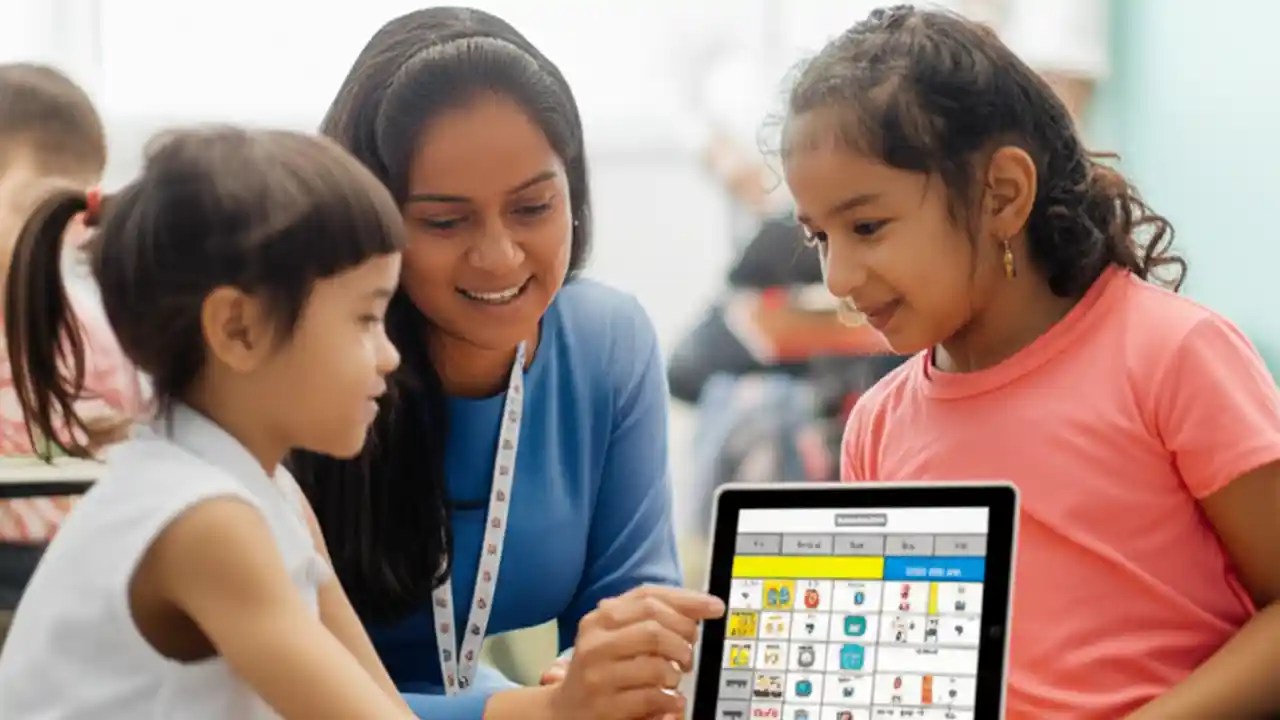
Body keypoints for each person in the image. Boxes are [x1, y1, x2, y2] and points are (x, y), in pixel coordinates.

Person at [782, 6, 1280, 719]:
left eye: (866, 226)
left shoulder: (1173, 356)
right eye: (819, 238)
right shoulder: (878, 428)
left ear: (1003, 194)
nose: (838, 277)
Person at [290, 7, 724, 720]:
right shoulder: (299, 366)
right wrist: (540, 713)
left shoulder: (606, 343)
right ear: (367, 215)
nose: (499, 256)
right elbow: (262, 690)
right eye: (444, 221)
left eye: (532, 207)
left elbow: (632, 630)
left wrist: (605, 682)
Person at [0, 126, 415, 718]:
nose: (390, 354)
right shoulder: (205, 522)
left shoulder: (270, 491)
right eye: (366, 317)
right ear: (237, 329)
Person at [0, 62, 142, 642]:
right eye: (32, 205)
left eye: (72, 212)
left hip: (75, 570)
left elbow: (135, 440)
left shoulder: (91, 332)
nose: (56, 232)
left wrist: (118, 435)